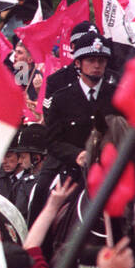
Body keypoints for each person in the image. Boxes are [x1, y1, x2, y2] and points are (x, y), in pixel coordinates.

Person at [43, 32, 116, 175]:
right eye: (91, 60)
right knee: (41, 191)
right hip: (74, 170)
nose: (96, 66)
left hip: (112, 169)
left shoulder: (118, 95)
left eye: (101, 61)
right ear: (78, 63)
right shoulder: (61, 98)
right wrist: (76, 154)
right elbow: (52, 142)